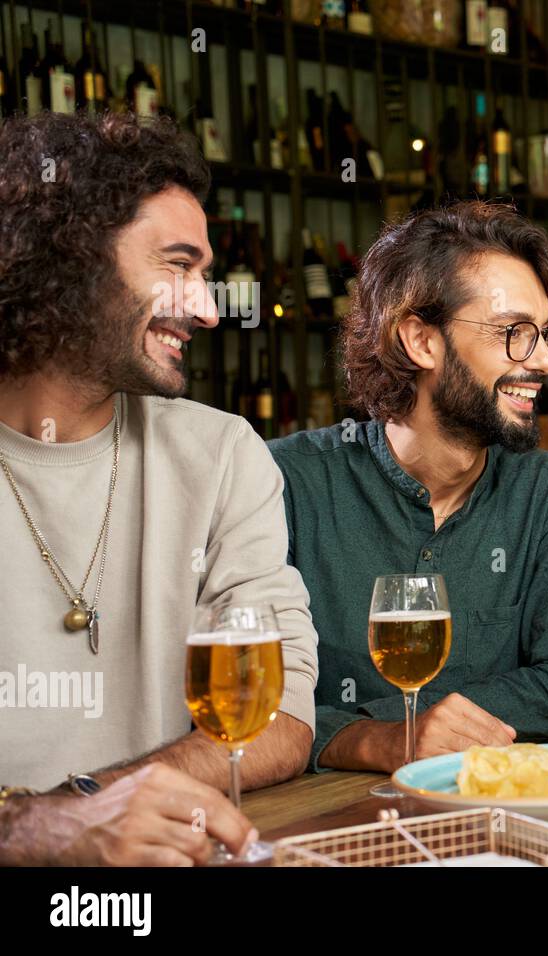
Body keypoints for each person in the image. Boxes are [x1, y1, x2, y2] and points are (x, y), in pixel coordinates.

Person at [0, 112, 319, 865]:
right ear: (67, 257)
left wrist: (98, 806)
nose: (207, 309)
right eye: (179, 266)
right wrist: (37, 832)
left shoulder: (220, 454)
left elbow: (281, 716)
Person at [270, 201, 548, 774]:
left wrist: (337, 727)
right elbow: (247, 705)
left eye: (547, 336)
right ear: (421, 341)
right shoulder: (285, 484)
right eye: (514, 333)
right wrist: (375, 739)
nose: (547, 362)